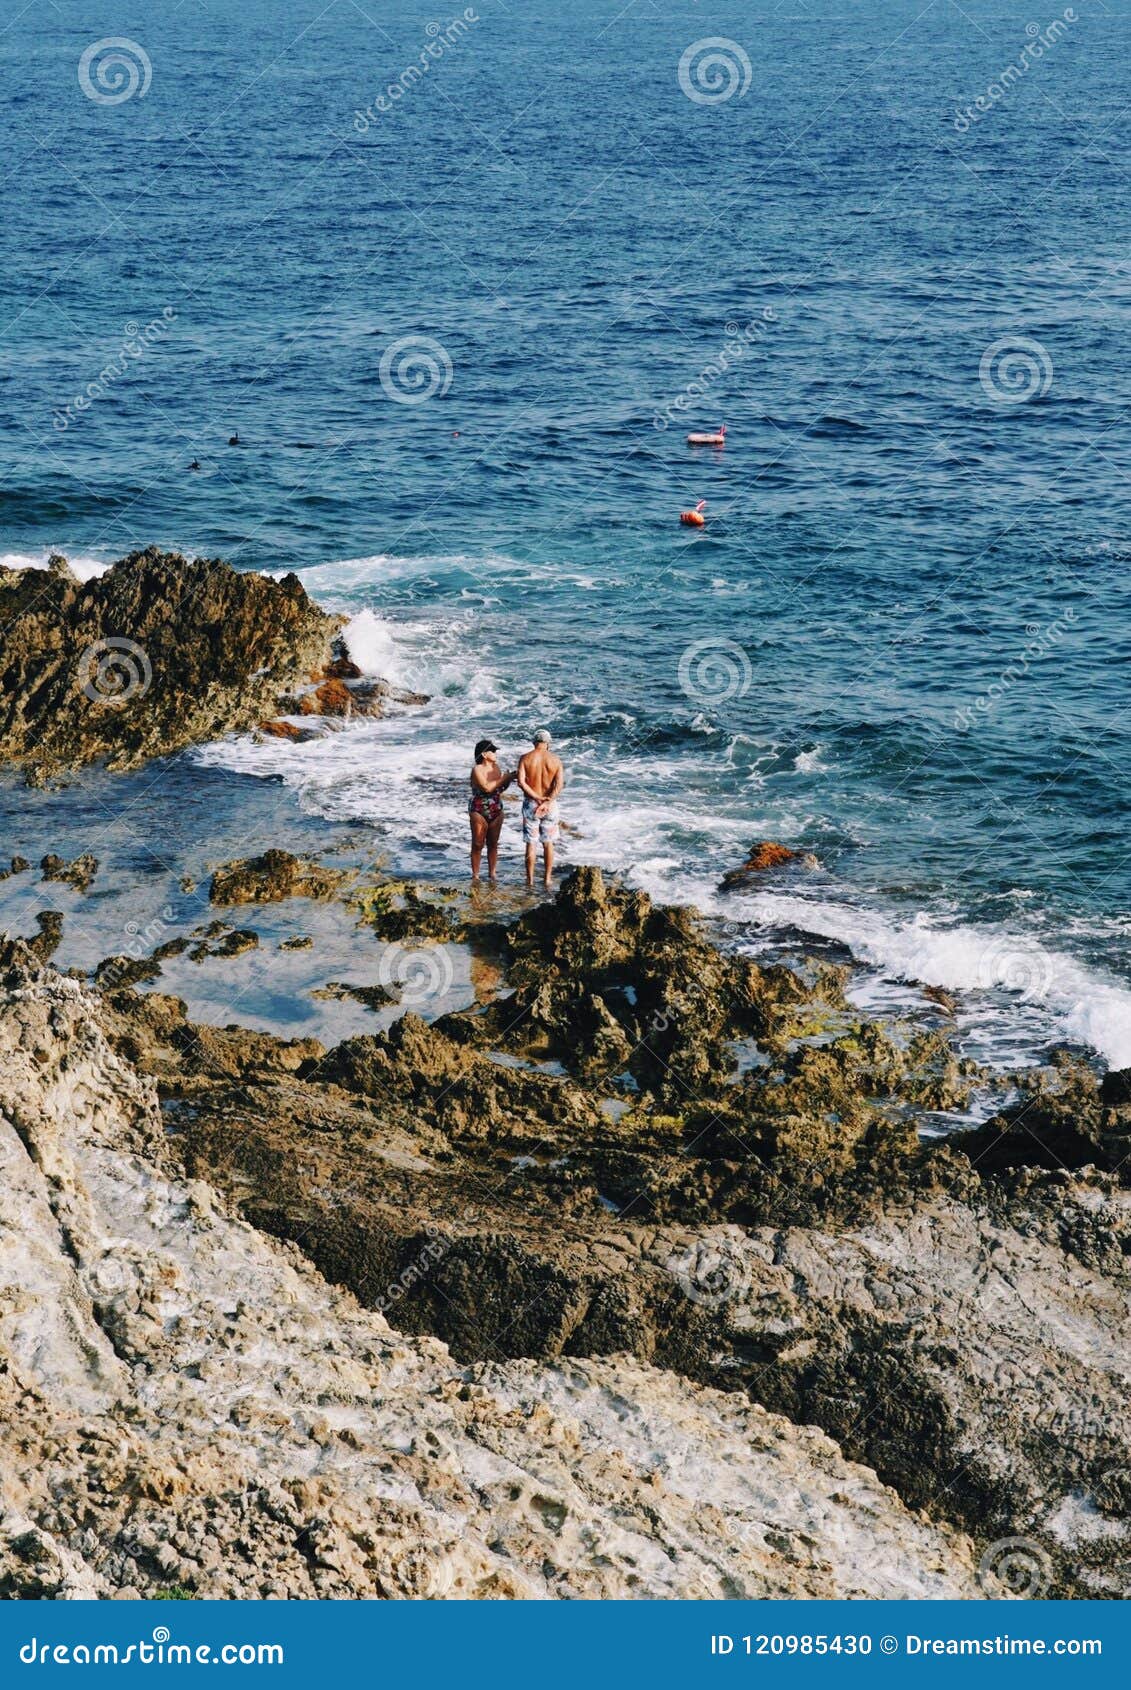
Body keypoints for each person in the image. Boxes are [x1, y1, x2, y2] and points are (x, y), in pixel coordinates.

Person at [516, 729, 564, 890]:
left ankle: (529, 881)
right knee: (548, 843)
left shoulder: (525, 758)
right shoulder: (555, 760)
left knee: (531, 843)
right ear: (548, 743)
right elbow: (559, 785)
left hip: (531, 803)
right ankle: (547, 879)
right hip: (550, 805)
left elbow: (521, 782)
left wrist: (537, 798)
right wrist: (548, 800)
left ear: (533, 742)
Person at [467, 738, 514, 881]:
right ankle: (475, 876)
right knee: (477, 844)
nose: (495, 753)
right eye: (492, 751)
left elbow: (499, 788)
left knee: (493, 844)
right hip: (479, 810)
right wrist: (504, 778)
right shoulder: (477, 769)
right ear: (484, 754)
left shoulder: (496, 768)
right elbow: (487, 788)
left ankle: (492, 874)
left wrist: (509, 779)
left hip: (496, 809)